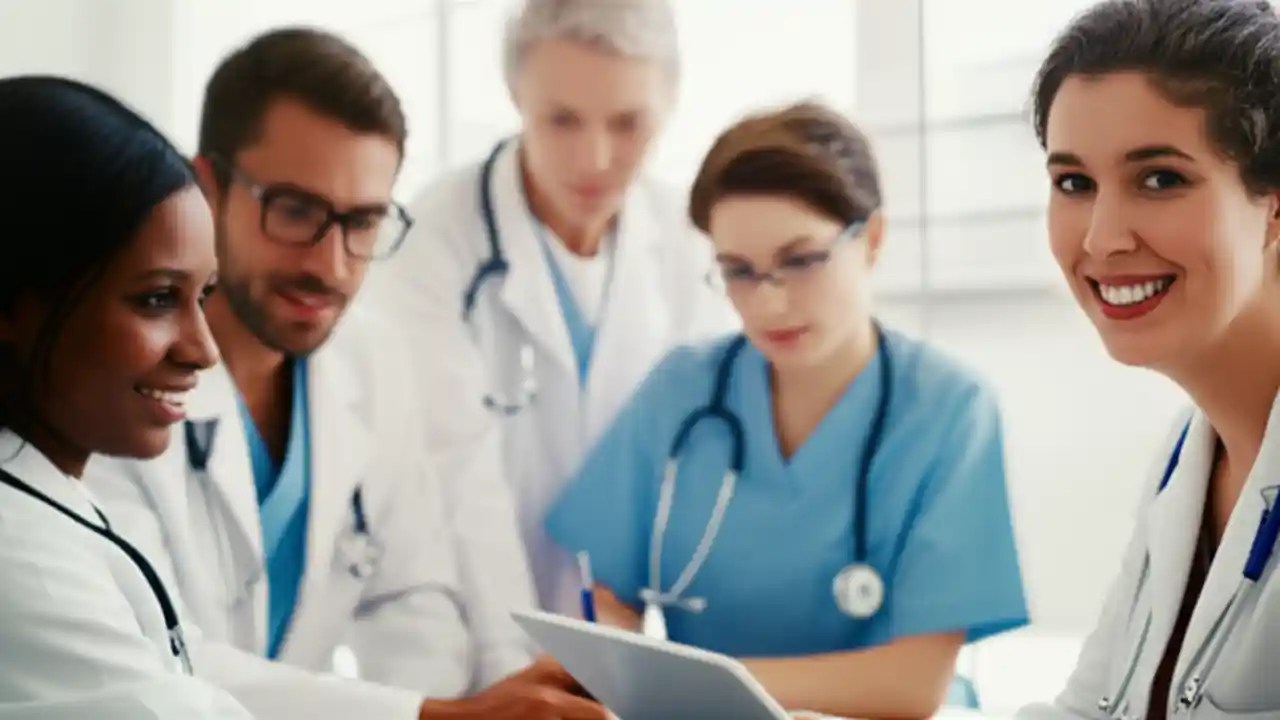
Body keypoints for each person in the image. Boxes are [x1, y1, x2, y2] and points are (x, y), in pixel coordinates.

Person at [85, 28, 605, 720]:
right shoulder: (109, 379)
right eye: (296, 210)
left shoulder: (374, 360)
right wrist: (435, 719)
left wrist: (444, 701)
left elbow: (415, 601)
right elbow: (157, 657)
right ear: (204, 187)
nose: (331, 265)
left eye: (363, 221)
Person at [544, 101, 1030, 719]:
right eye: (739, 272)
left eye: (800, 261)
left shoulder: (948, 408)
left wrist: (699, 684)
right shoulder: (681, 392)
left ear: (872, 239)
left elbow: (911, 685)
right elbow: (603, 596)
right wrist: (619, 659)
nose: (768, 303)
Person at [364, 0, 735, 616]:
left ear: (670, 106)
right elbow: (453, 477)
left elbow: (693, 476)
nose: (594, 158)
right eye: (562, 120)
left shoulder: (688, 243)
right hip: (461, 634)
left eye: (627, 123)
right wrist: (520, 664)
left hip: (626, 632)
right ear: (516, 95)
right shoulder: (436, 239)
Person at [1017, 1, 1280, 718]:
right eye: (1073, 183)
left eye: (1160, 179)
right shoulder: (1188, 459)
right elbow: (1086, 709)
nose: (1101, 240)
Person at [0, 76, 252, 718]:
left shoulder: (51, 497)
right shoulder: (18, 551)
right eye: (157, 298)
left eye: (204, 296)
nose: (203, 349)